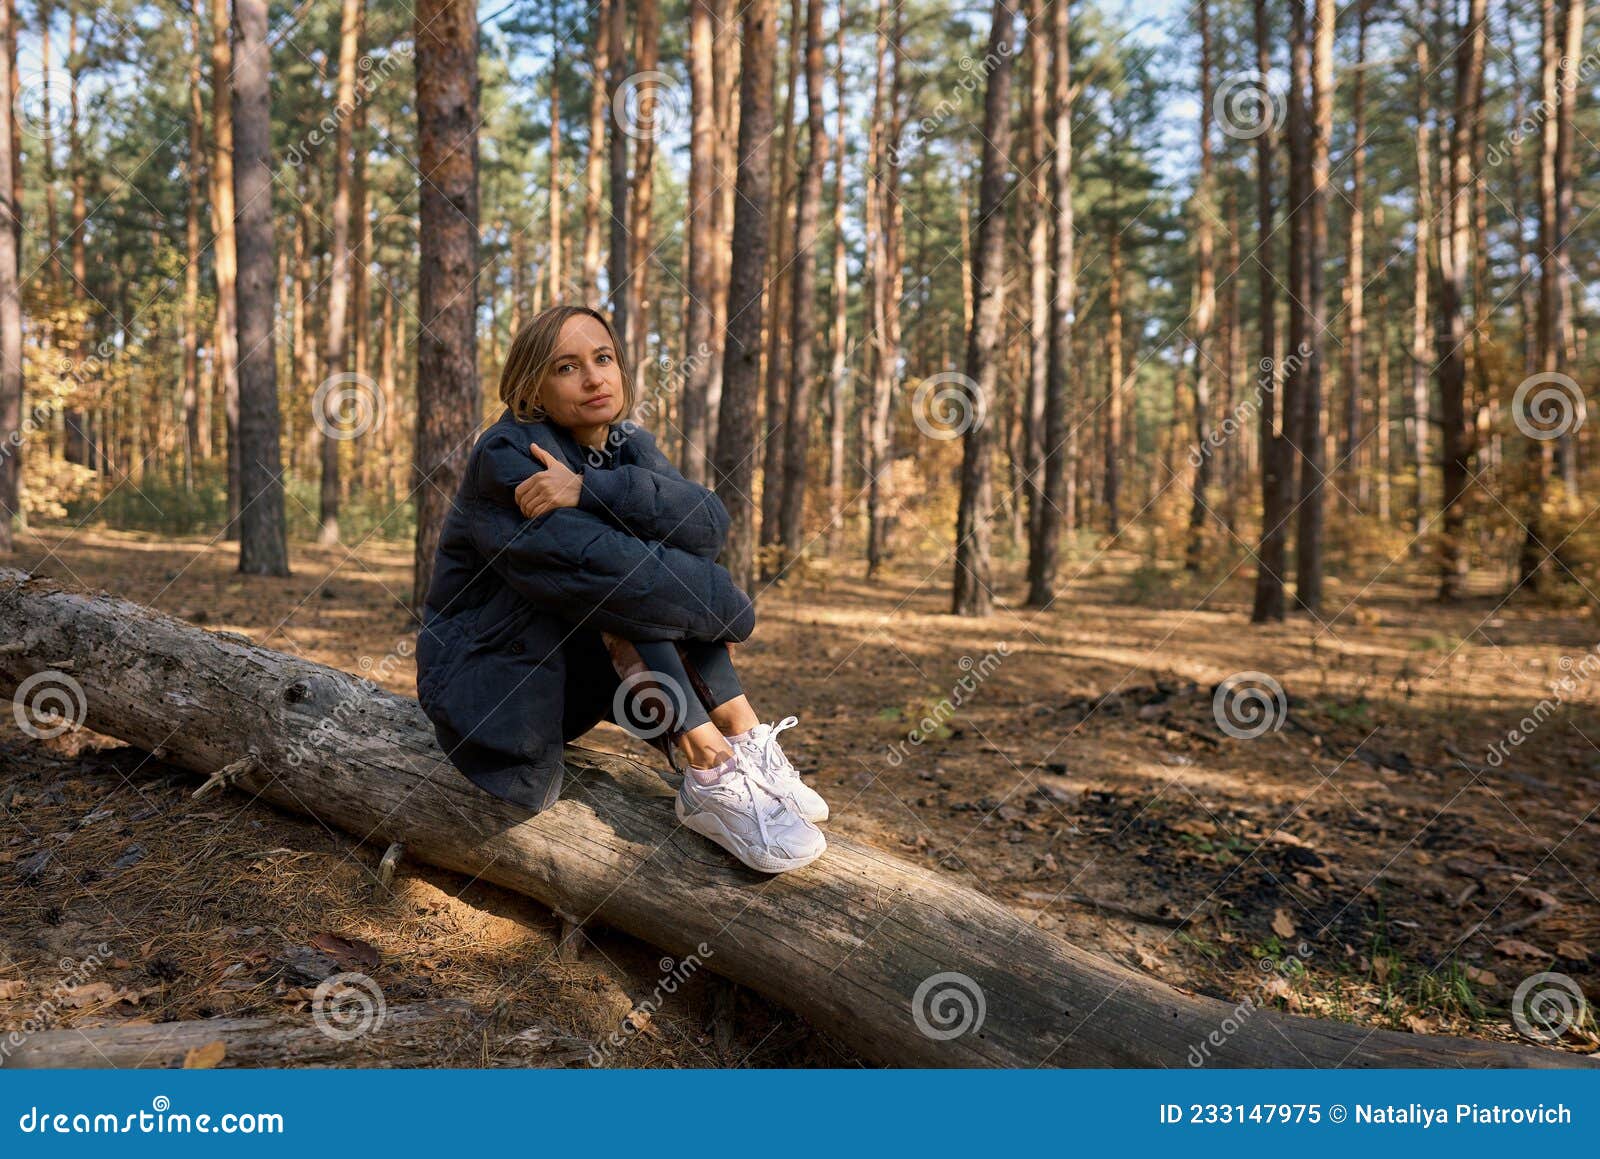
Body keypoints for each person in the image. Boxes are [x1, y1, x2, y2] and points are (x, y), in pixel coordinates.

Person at [415, 305, 828, 874]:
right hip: (495, 687)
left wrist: (590, 488)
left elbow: (708, 525)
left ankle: (744, 737)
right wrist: (728, 610)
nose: (594, 378)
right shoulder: (508, 454)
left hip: (569, 674)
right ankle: (708, 767)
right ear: (532, 386)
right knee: (628, 590)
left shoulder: (626, 443)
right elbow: (599, 571)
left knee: (653, 578)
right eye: (567, 367)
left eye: (603, 358)